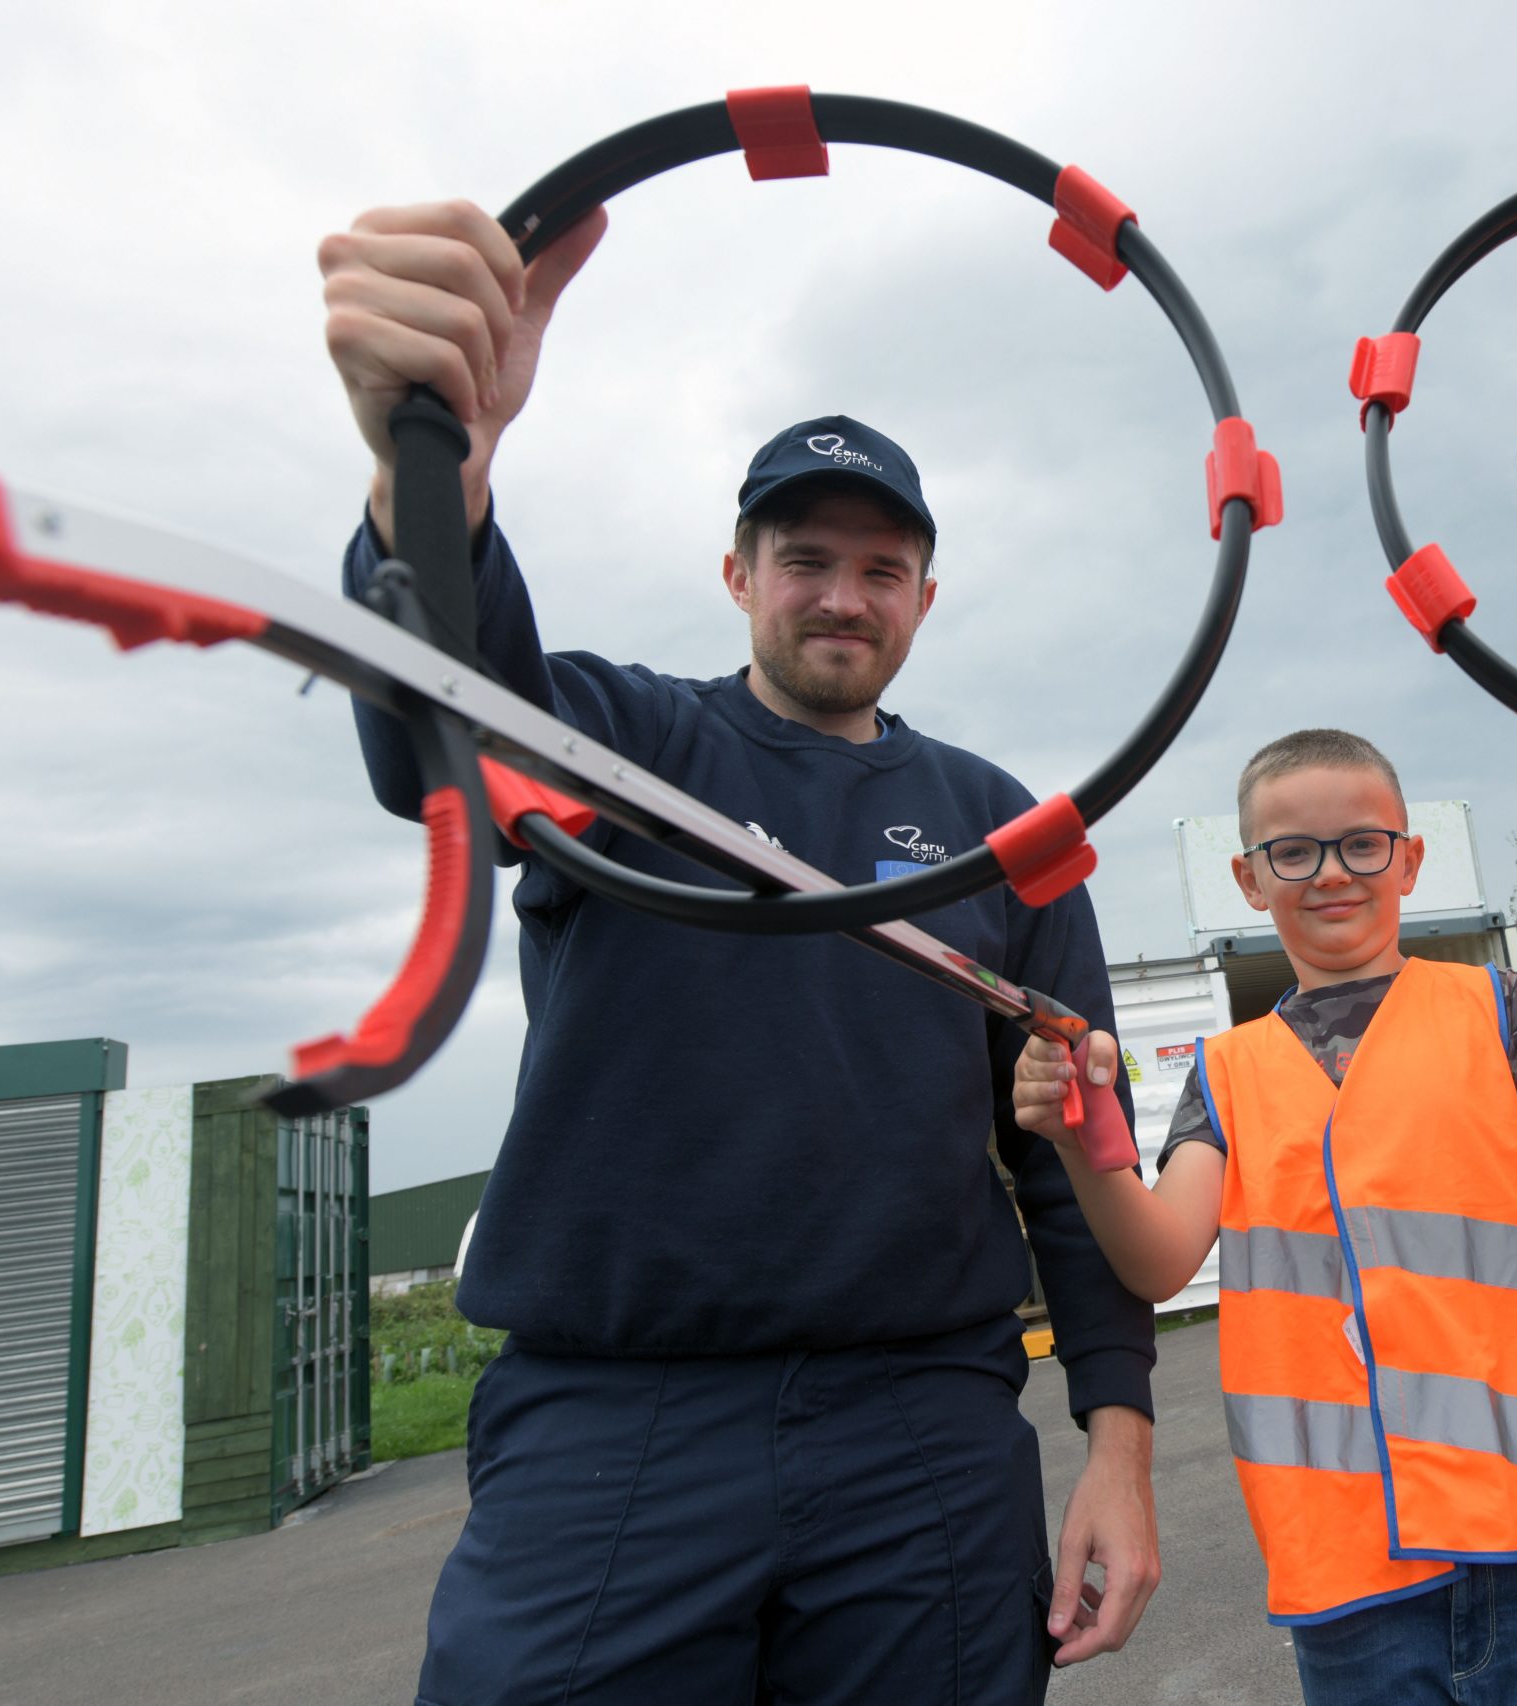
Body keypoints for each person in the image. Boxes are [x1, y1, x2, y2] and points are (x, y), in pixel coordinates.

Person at [319, 198, 1158, 1703]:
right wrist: (433, 469)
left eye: (882, 569)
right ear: (738, 573)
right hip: (614, 1422)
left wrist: (1119, 1434)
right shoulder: (629, 740)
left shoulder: (998, 824)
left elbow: (1069, 1148)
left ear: (925, 597)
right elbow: (434, 738)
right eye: (805, 557)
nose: (843, 595)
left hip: (925, 1422)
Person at [1009, 728, 1517, 1704]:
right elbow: (1159, 1258)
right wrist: (1083, 1145)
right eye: (1292, 851)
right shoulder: (1224, 1074)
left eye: (1362, 842)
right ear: (1248, 877)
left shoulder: (1503, 1008)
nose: (1330, 871)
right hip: (1346, 1572)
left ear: (1409, 855)